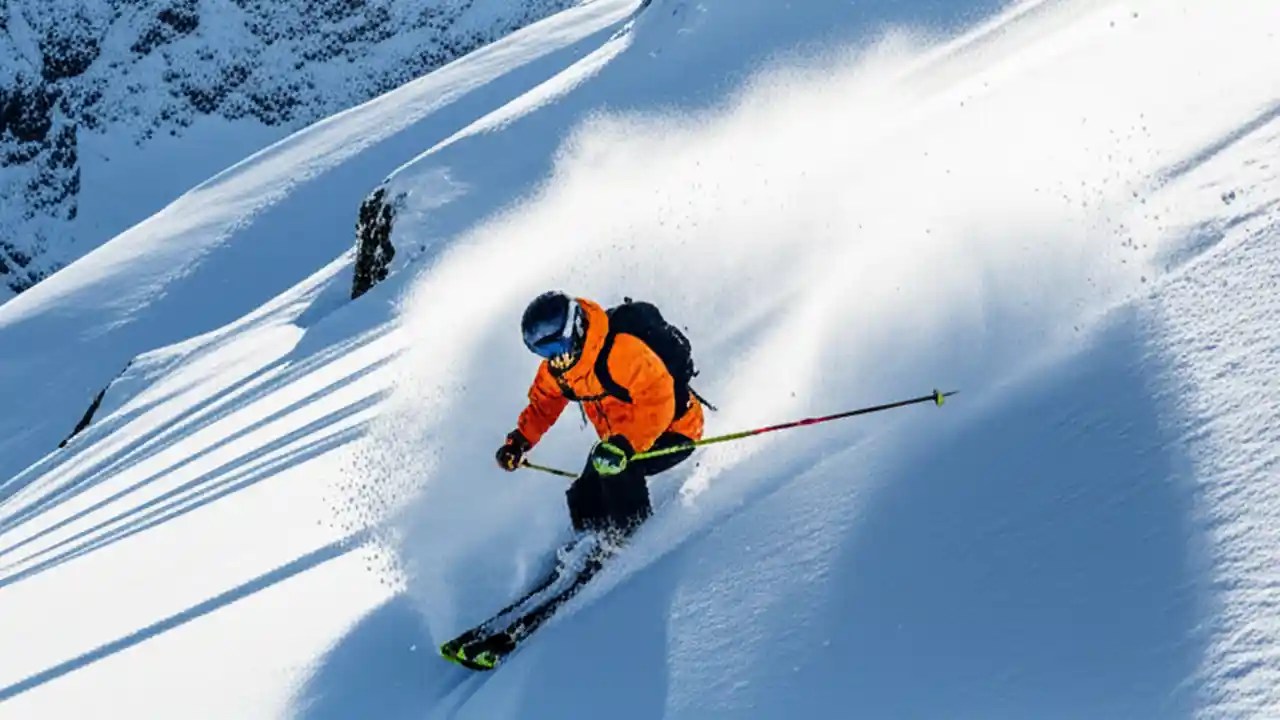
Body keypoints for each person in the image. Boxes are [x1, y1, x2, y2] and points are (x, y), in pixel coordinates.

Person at [496, 291, 705, 536]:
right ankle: (593, 541)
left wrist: (627, 444)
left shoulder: (621, 351)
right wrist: (520, 441)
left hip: (674, 430)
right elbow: (544, 403)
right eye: (543, 351)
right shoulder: (560, 369)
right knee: (583, 492)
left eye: (557, 345)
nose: (555, 357)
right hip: (619, 441)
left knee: (616, 471)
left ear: (575, 328)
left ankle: (634, 536)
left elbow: (657, 399)